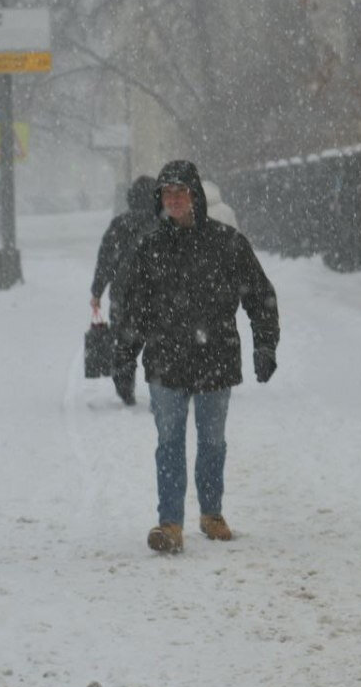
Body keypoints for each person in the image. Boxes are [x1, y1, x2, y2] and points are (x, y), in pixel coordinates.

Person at [114, 159, 279, 553]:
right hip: (165, 362)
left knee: (212, 442)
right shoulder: (149, 249)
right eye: (166, 193)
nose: (173, 200)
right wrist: (124, 353)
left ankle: (212, 512)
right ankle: (169, 524)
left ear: (195, 196)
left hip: (215, 359)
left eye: (180, 192)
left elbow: (259, 294)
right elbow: (134, 307)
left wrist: (265, 344)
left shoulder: (226, 243)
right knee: (169, 442)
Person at [90, 175, 159, 404]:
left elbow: (106, 261)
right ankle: (161, 390)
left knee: (125, 345)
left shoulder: (119, 225)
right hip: (160, 296)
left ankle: (125, 388)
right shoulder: (164, 224)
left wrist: (97, 291)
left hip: (125, 296)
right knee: (161, 343)